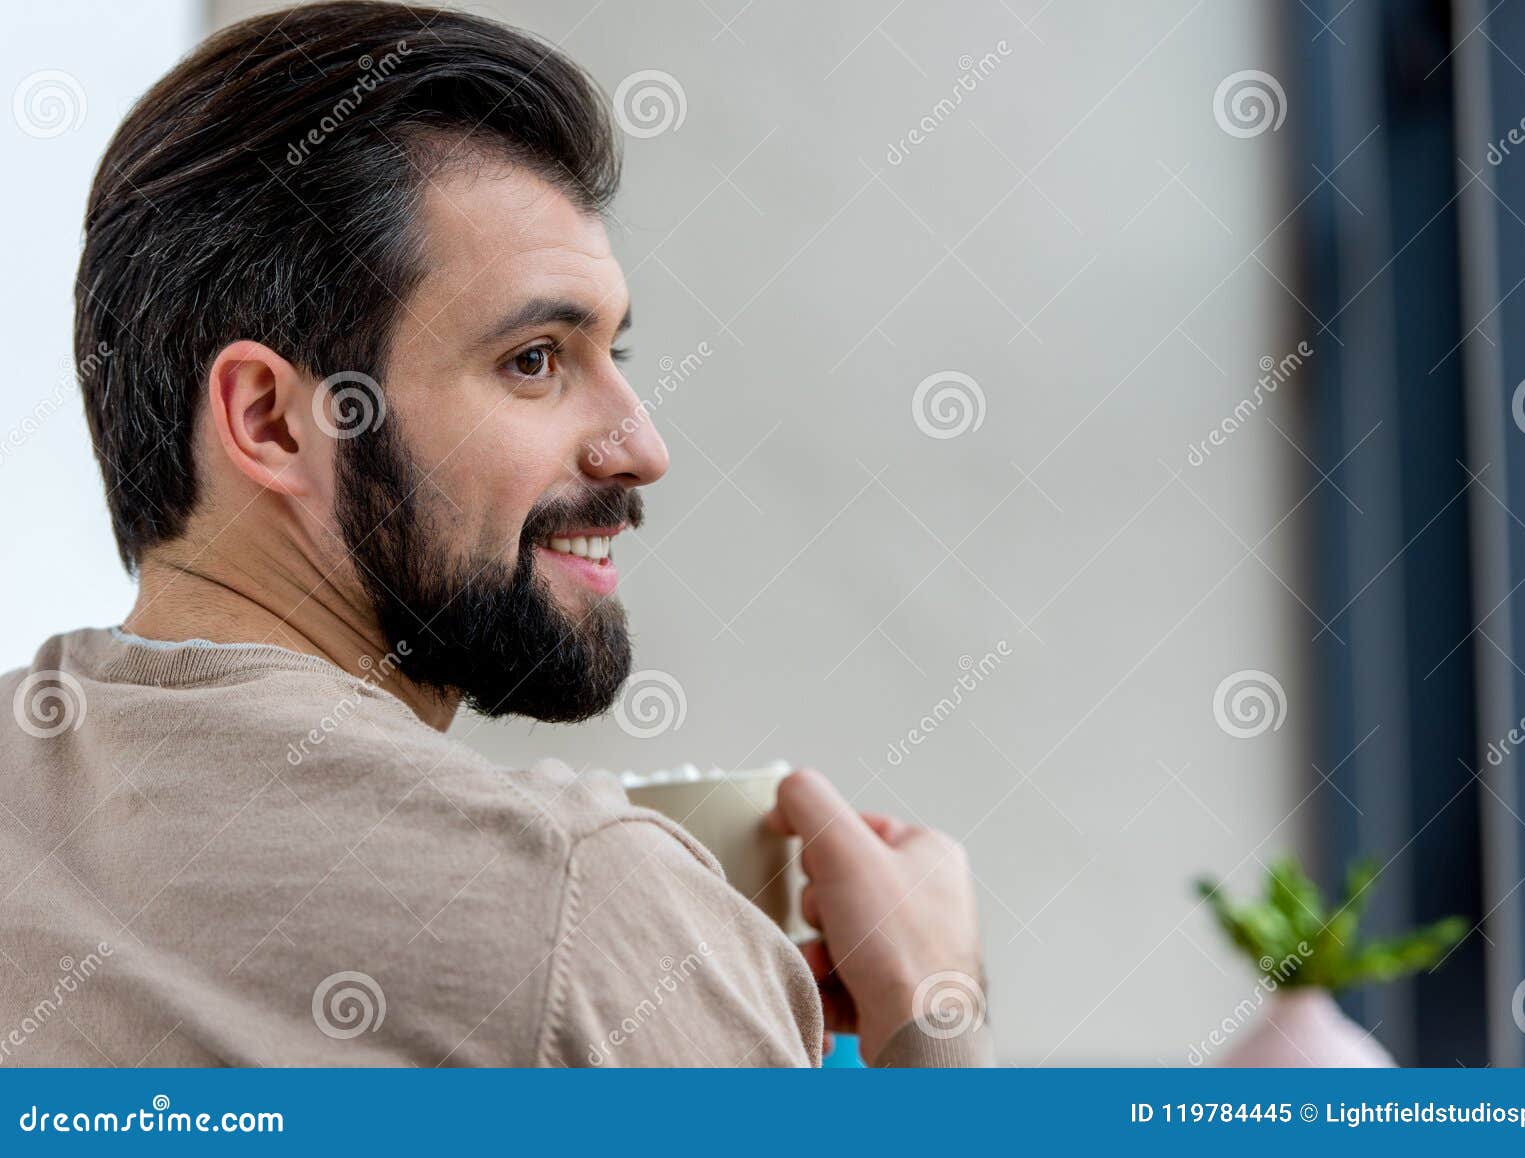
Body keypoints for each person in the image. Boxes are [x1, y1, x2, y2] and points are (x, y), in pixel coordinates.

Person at [0, 0, 988, 1067]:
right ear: (273, 420)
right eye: (534, 360)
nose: (638, 444)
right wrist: (930, 1021)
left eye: (615, 355)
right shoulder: (582, 901)